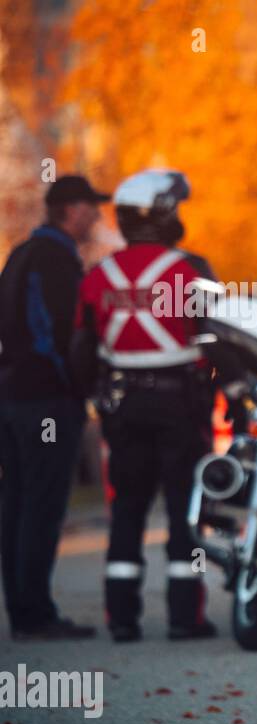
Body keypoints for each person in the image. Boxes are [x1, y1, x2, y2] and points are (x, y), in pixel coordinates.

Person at [70, 169, 218, 642]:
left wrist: (92, 397)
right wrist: (234, 393)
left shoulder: (98, 275)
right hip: (181, 406)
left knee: (127, 508)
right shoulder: (190, 270)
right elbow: (219, 340)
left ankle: (123, 618)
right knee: (184, 510)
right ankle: (183, 617)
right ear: (164, 215)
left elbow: (80, 349)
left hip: (123, 408)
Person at [0, 175, 108, 640]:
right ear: (71, 209)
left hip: (13, 396)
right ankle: (35, 615)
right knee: (41, 506)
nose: (98, 216)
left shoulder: (20, 255)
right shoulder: (55, 259)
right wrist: (81, 389)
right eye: (92, 207)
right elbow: (64, 337)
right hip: (46, 400)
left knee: (17, 503)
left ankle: (24, 611)